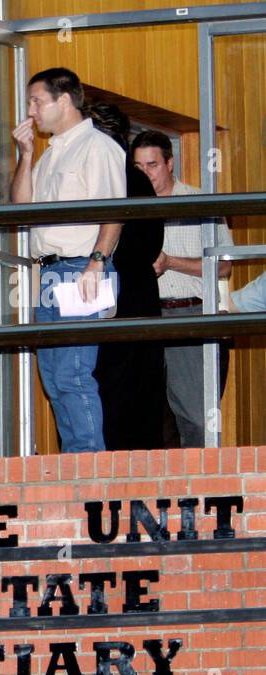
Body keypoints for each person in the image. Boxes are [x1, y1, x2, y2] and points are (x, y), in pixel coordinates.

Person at [12, 67, 125, 454]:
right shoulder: (49, 154)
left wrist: (97, 263)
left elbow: (114, 211)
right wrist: (26, 156)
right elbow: (20, 207)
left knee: (73, 374)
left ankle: (89, 467)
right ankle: (73, 465)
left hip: (81, 269)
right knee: (54, 377)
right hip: (47, 271)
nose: (31, 110)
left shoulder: (98, 146)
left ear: (64, 101)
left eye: (36, 101)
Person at [131, 129, 234, 448]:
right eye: (139, 167)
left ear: (170, 163)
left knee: (195, 415)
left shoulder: (200, 202)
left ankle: (201, 488)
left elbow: (224, 265)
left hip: (188, 312)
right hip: (145, 316)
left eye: (153, 165)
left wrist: (171, 262)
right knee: (146, 413)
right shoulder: (127, 207)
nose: (146, 173)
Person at [84, 104, 165, 451]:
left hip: (108, 288)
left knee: (101, 386)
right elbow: (151, 242)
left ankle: (104, 473)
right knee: (141, 391)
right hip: (140, 291)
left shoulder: (105, 175)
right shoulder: (138, 181)